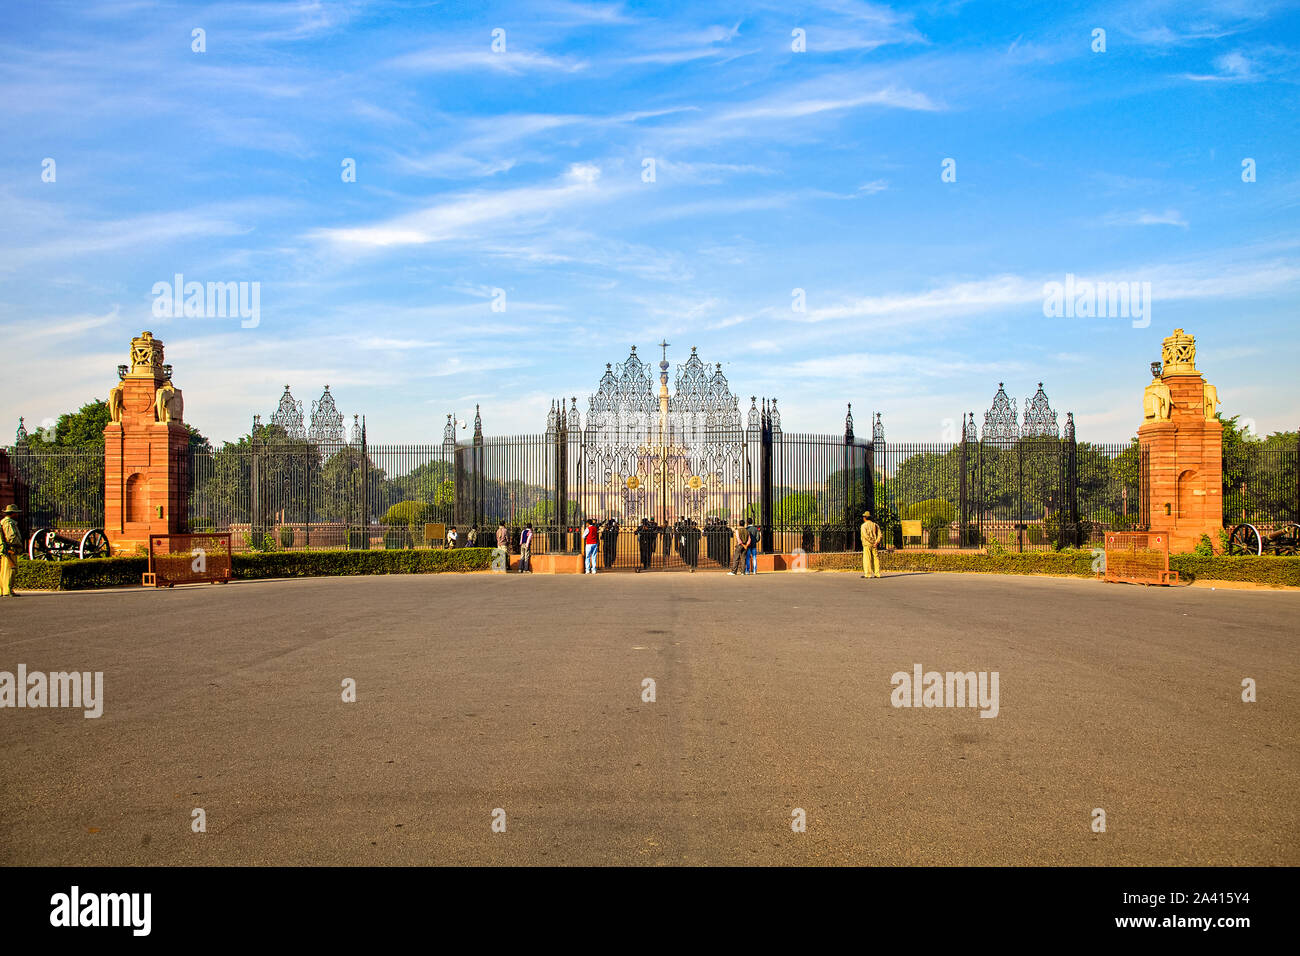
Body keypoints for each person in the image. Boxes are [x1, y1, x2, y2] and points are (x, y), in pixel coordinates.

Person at [1, 504, 23, 598]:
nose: (17, 515)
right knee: (10, 570)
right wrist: (19, 544)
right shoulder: (9, 523)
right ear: (13, 514)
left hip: (6, 549)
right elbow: (11, 537)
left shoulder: (5, 522)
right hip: (10, 549)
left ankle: (3, 590)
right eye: (16, 513)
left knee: (5, 570)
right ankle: (7, 590)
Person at [860, 510, 883, 579]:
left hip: (867, 544)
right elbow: (880, 535)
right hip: (875, 544)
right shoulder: (875, 525)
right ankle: (877, 573)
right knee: (876, 558)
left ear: (865, 518)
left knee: (867, 558)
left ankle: (868, 574)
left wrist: (871, 541)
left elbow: (865, 535)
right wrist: (876, 542)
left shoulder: (863, 526)